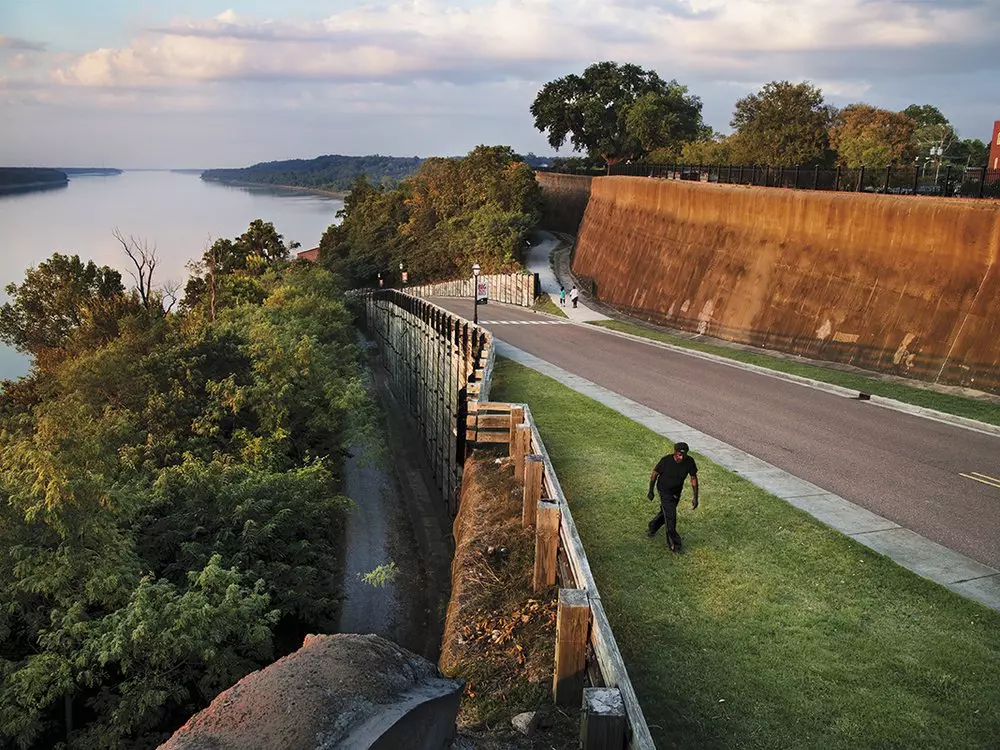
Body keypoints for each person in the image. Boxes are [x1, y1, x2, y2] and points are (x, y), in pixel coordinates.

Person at [646, 442, 699, 552]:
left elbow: (693, 478)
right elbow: (654, 474)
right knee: (671, 517)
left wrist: (695, 496)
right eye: (679, 454)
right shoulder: (666, 460)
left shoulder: (689, 462)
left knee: (666, 512)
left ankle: (652, 527)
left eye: (684, 455)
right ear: (674, 452)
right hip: (664, 490)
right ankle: (675, 545)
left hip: (676, 492)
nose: (681, 457)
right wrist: (651, 490)